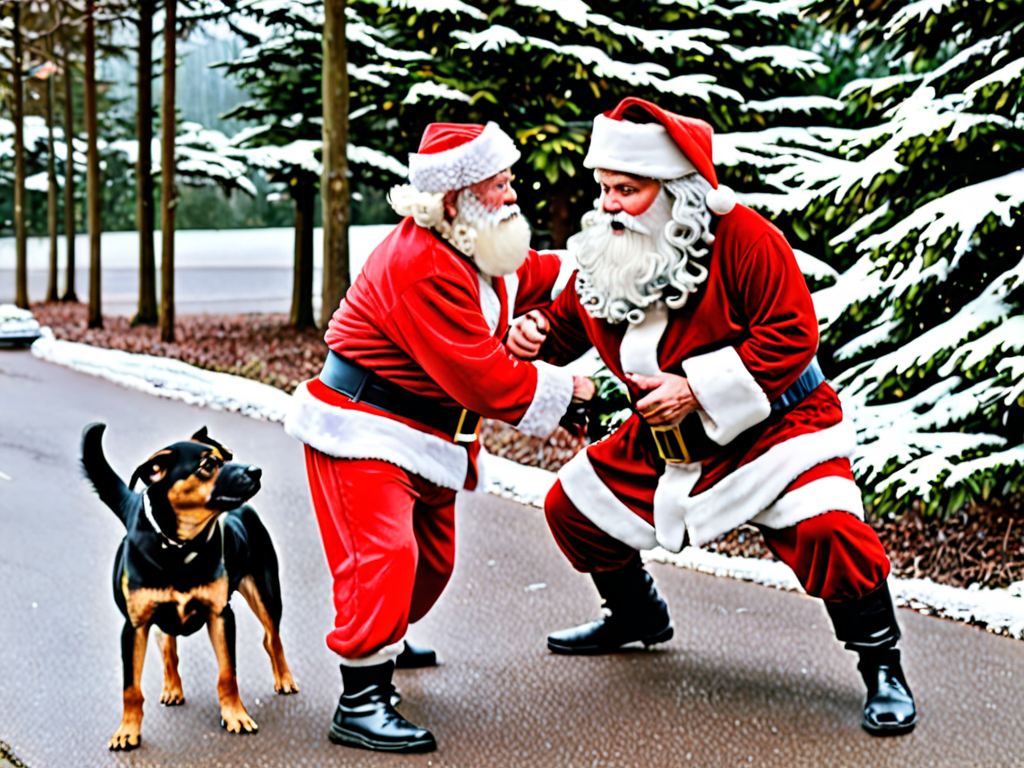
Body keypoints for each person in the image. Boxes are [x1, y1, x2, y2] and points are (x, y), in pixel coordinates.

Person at [507, 97, 917, 736]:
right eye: (605, 188)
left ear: (676, 190)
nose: (611, 204)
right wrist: (534, 333)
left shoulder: (748, 239)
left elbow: (791, 336)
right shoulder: (605, 247)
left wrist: (697, 389)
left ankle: (882, 665)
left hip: (779, 424)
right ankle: (637, 615)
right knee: (573, 510)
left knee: (831, 533)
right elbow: (571, 321)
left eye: (629, 189)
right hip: (668, 438)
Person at [284, 121, 589, 753]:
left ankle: (386, 635)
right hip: (363, 431)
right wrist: (570, 391)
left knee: (433, 562)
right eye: (499, 184)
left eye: (508, 182)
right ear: (456, 200)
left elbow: (536, 273)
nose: (512, 195)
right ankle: (361, 699)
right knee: (386, 558)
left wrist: (599, 264)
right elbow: (485, 378)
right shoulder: (420, 262)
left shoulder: (477, 242)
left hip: (425, 436)